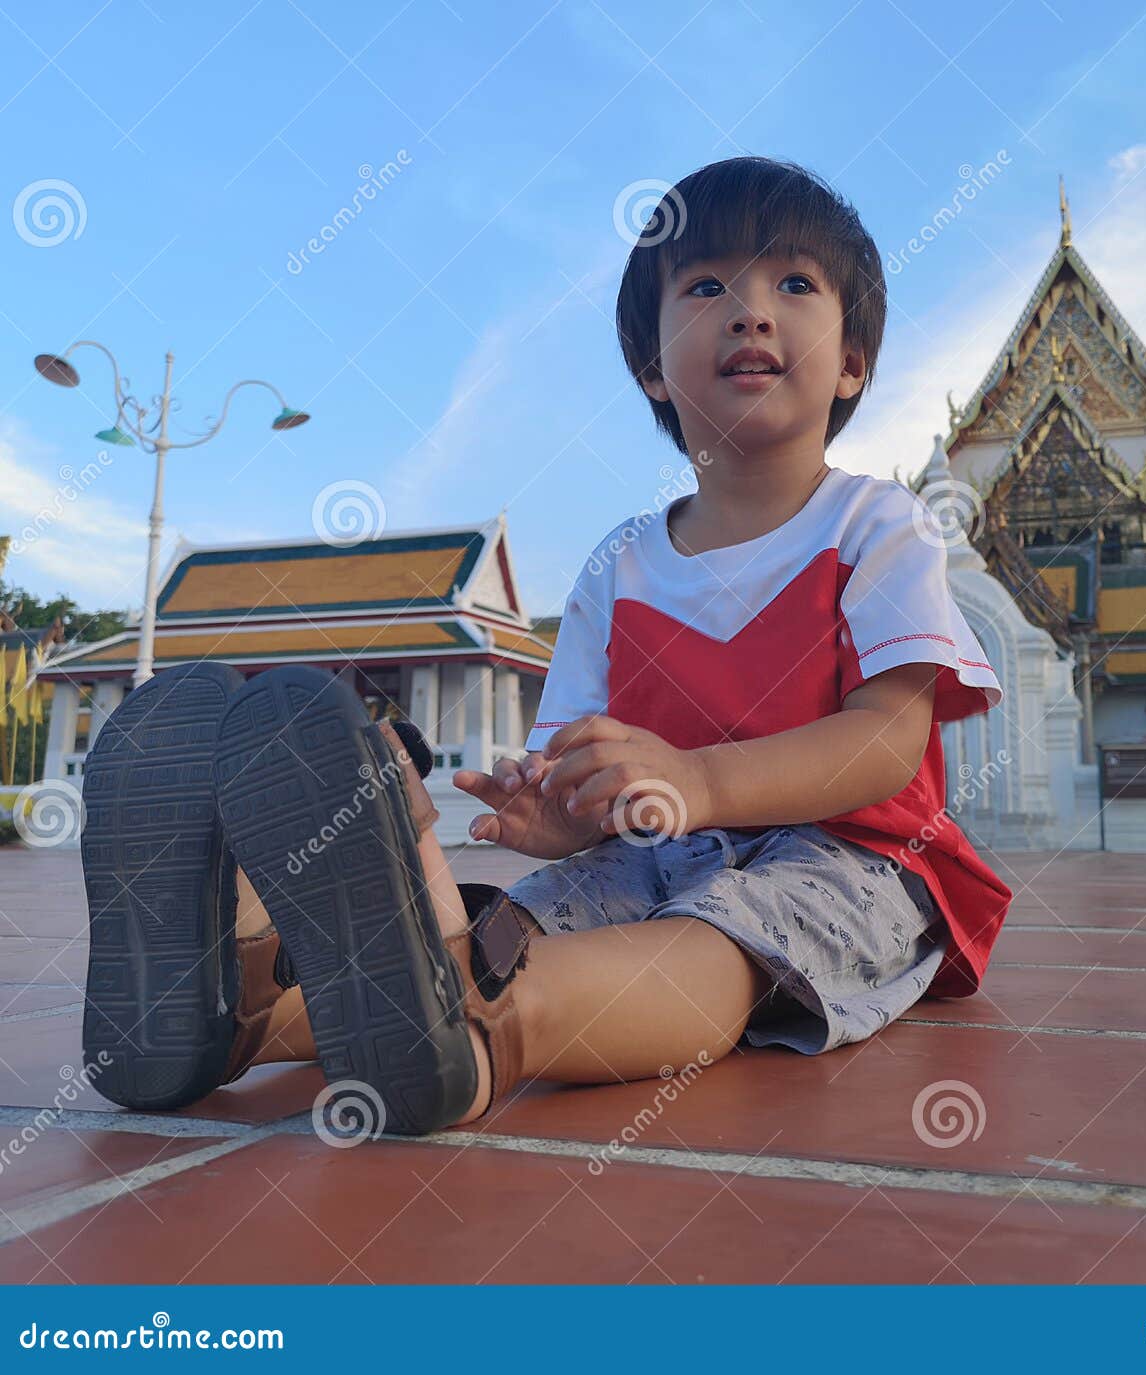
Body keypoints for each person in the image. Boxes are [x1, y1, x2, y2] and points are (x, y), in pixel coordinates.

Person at [79, 156, 1011, 1137]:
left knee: (724, 941)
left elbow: (885, 744)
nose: (749, 310)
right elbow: (583, 783)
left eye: (792, 283)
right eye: (704, 287)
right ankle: (251, 1017)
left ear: (853, 359)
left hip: (854, 858)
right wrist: (554, 814)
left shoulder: (877, 524)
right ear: (651, 364)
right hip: (661, 849)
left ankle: (483, 1039)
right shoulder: (618, 568)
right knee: (519, 919)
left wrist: (699, 781)